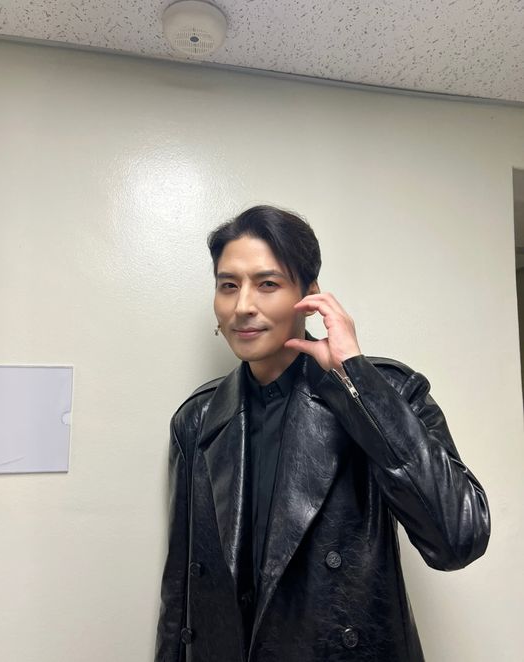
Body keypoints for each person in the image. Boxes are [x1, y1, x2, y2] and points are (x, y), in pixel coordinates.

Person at [155, 205, 490, 662]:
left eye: (267, 284)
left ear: (309, 295)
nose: (242, 306)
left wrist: (356, 380)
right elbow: (181, 590)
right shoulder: (197, 418)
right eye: (228, 285)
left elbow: (459, 538)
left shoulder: (388, 391)